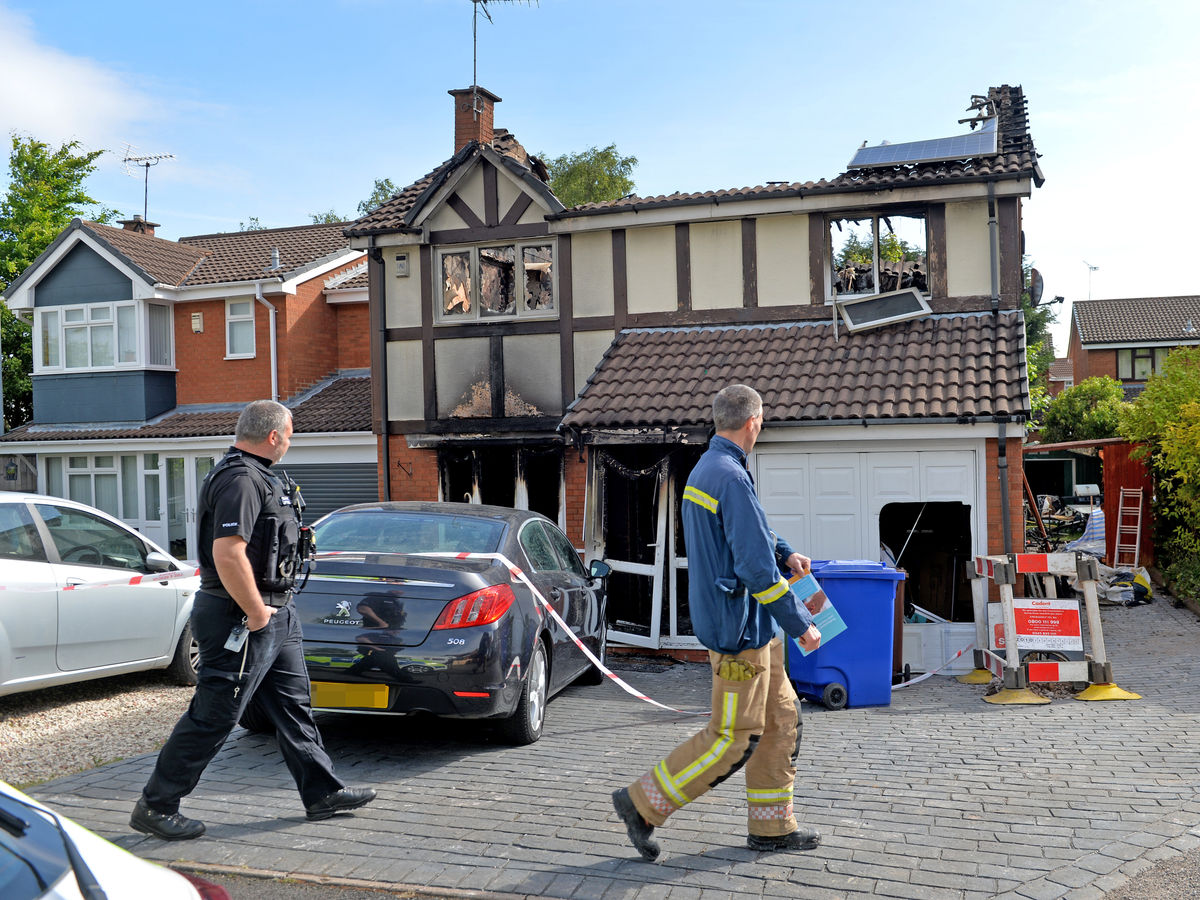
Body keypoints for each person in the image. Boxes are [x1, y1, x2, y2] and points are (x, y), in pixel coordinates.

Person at [131, 400, 375, 840]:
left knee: (293, 706)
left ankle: (322, 793)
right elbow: (228, 552)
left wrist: (271, 613)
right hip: (239, 615)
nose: (289, 443)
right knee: (217, 713)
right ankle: (157, 805)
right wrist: (257, 614)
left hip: (277, 612)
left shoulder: (263, 476)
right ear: (275, 435)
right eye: (290, 435)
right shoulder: (241, 479)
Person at [612, 384, 823, 860]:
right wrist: (799, 623)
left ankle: (772, 828)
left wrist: (786, 552)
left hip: (752, 628)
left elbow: (752, 531)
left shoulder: (716, 469)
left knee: (780, 720)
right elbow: (753, 568)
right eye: (763, 420)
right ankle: (640, 804)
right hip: (739, 632)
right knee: (734, 738)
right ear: (753, 422)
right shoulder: (727, 475)